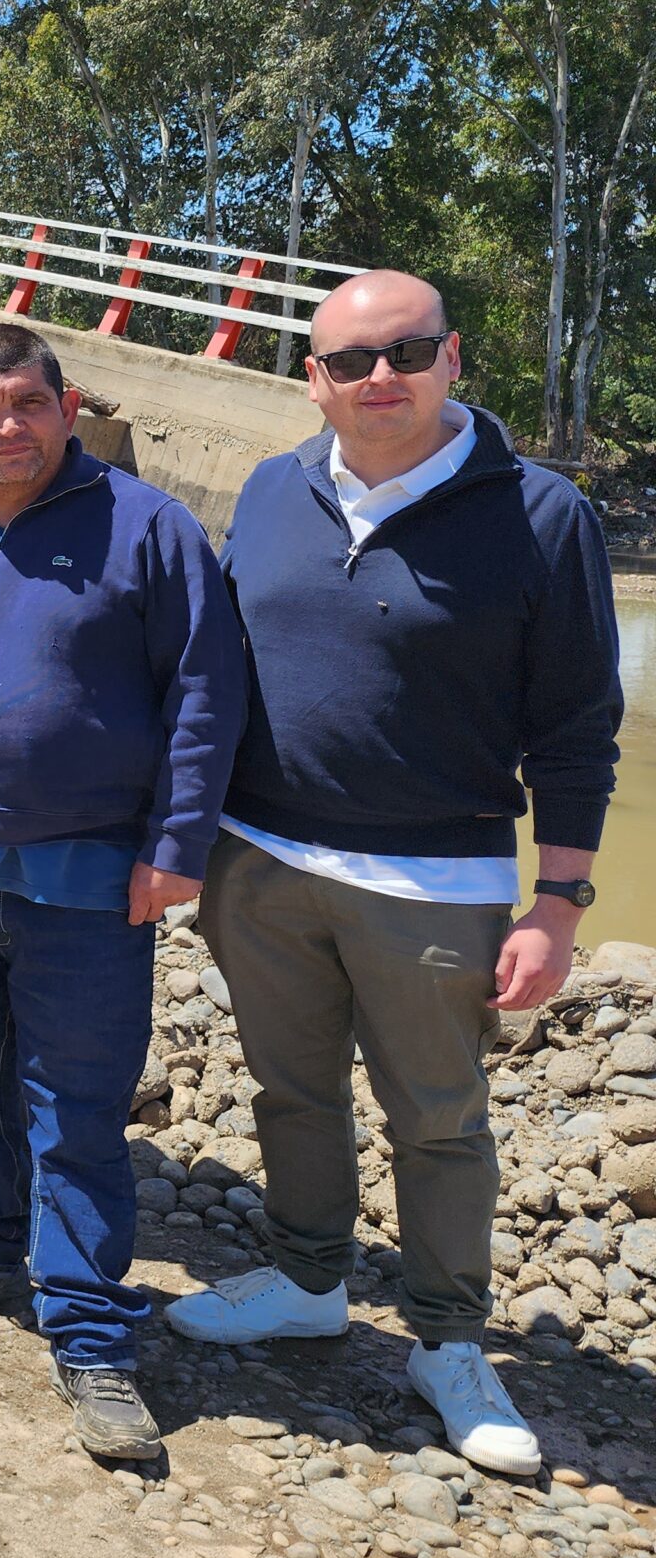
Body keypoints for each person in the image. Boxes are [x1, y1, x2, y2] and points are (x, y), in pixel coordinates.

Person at [165, 271, 621, 1477]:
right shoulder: (271, 490)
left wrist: (559, 901)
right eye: (350, 361)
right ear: (311, 377)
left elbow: (577, 724)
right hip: (257, 859)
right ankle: (308, 1277)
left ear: (452, 358)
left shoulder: (540, 512)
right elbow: (207, 678)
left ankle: (446, 1338)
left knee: (439, 1120)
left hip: (438, 879)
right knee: (289, 1088)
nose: (380, 378)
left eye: (406, 353)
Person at [0, 322, 243, 1461]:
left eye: (25, 403)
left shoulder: (148, 527)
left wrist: (177, 844)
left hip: (86, 880)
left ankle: (87, 1330)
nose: (4, 427)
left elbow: (204, 696)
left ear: (67, 408)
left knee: (75, 1110)